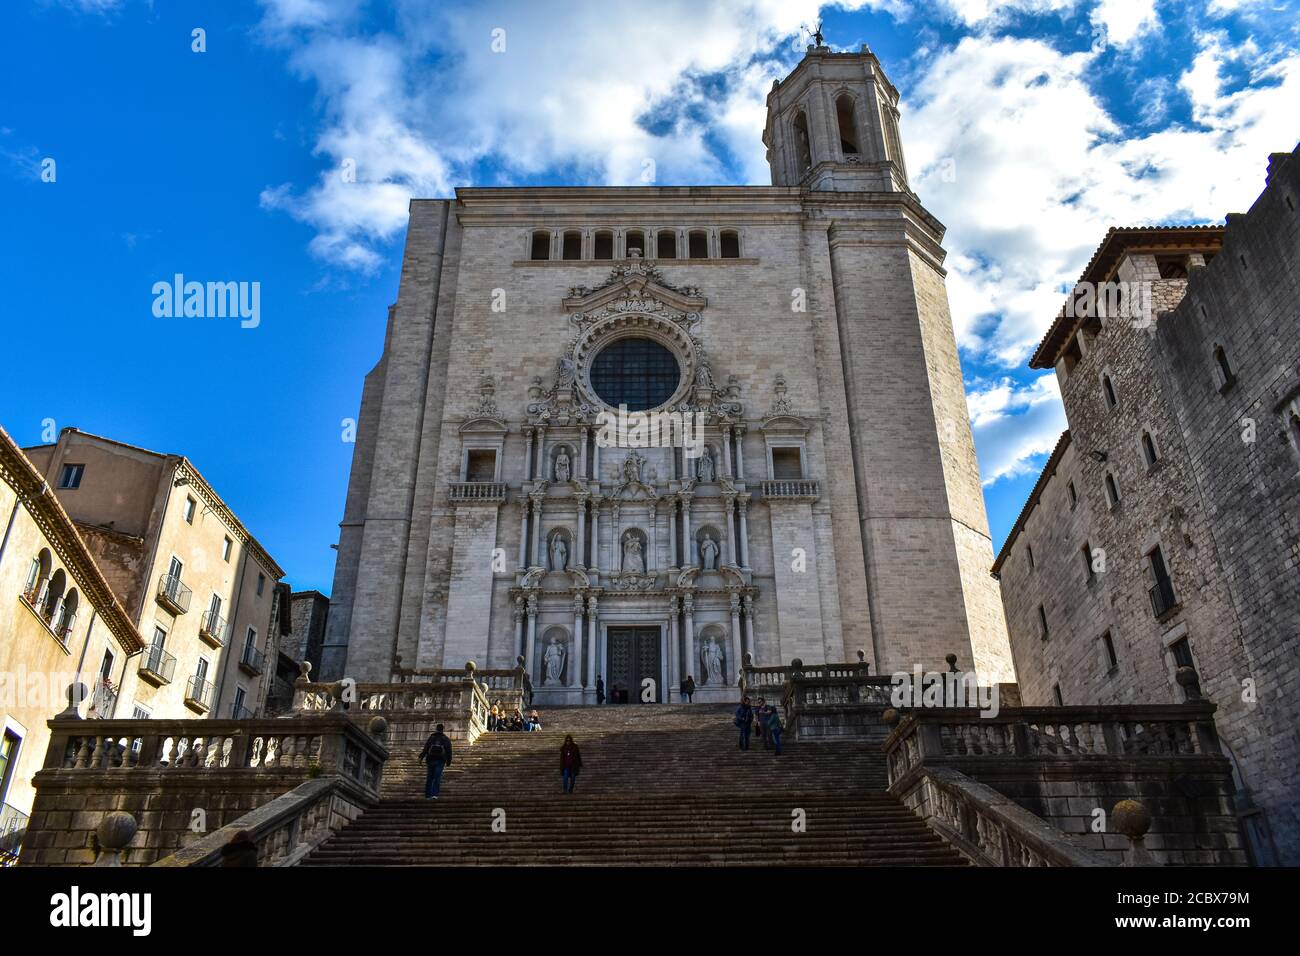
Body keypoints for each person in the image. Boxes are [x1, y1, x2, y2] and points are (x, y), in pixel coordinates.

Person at [418, 722, 454, 799]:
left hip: (430, 759)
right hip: (440, 760)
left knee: (429, 777)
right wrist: (449, 761)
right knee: (437, 777)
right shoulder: (445, 738)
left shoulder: (431, 737)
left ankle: (428, 795)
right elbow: (449, 750)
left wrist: (421, 757)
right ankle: (435, 794)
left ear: (436, 729)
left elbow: (426, 748)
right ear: (442, 730)